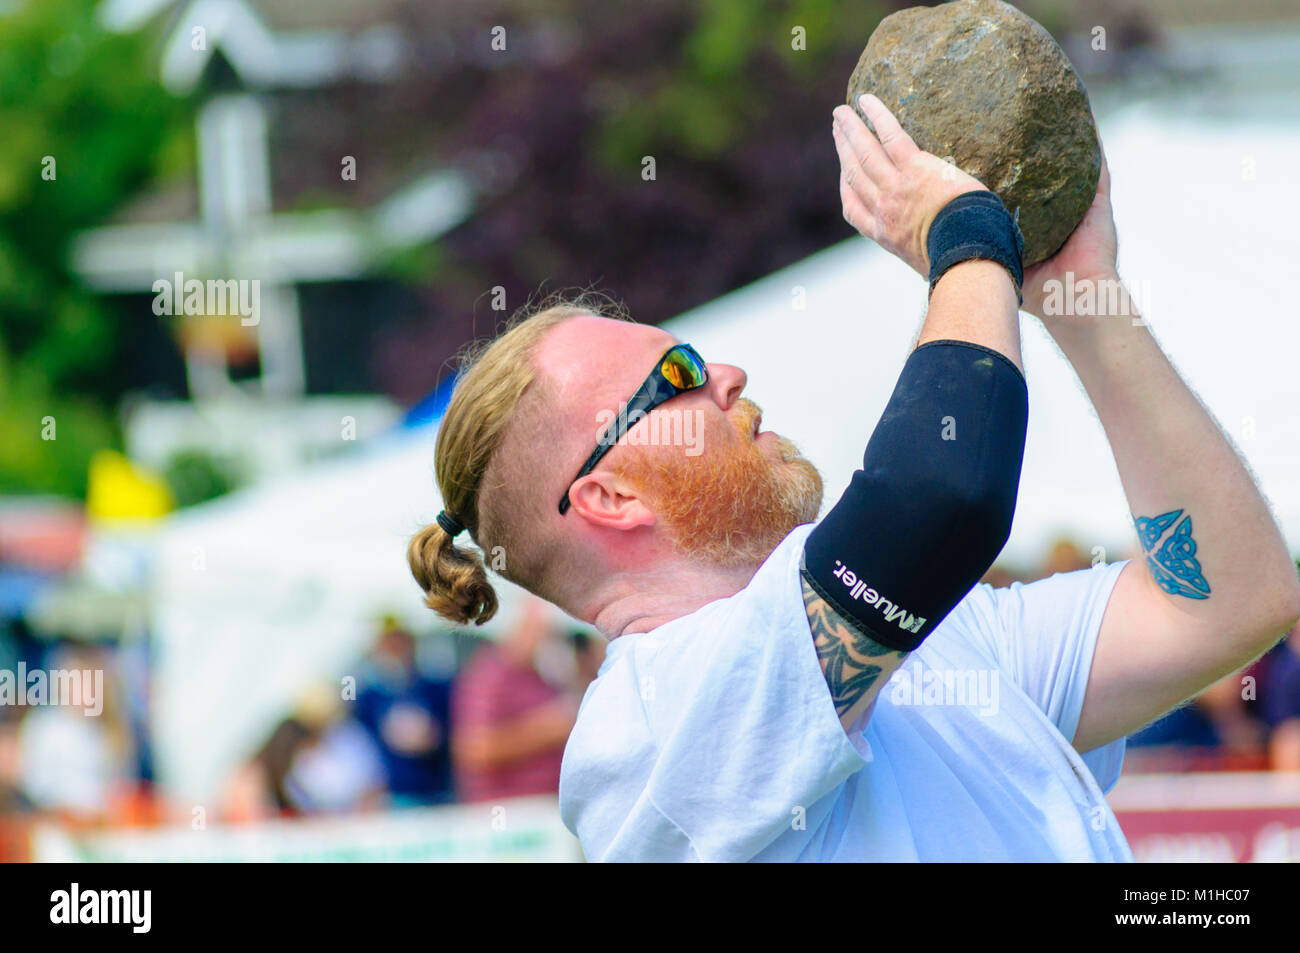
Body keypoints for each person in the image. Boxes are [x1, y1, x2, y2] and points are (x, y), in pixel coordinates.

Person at [406, 94, 1300, 861]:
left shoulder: (935, 645)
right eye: (676, 376)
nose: (729, 376)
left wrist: (1080, 295)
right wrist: (968, 240)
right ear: (610, 495)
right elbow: (937, 498)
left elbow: (1232, 598)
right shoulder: (651, 723)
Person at [451, 598, 589, 803]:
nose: (544, 639)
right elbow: (475, 749)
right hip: (510, 813)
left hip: (545, 807)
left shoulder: (545, 673)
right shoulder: (488, 676)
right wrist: (547, 729)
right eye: (536, 630)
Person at [352, 620, 455, 806]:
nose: (395, 649)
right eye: (388, 643)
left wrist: (435, 737)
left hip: (439, 792)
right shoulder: (366, 699)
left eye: (399, 641)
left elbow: (457, 734)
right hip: (395, 799)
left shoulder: (436, 687)